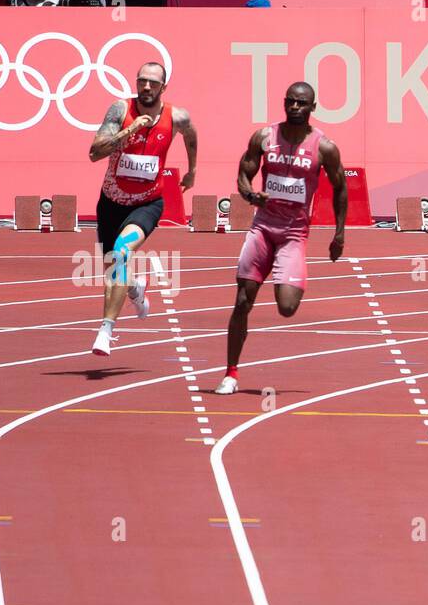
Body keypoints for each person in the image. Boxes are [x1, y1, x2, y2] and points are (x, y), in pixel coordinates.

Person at [214, 82, 346, 395]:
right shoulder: (263, 137)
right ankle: (230, 373)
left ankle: (283, 273)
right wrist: (249, 194)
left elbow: (341, 188)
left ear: (313, 107)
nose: (295, 108)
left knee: (287, 307)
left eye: (302, 103)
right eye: (291, 102)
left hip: (293, 234)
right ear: (284, 103)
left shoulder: (324, 147)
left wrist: (339, 234)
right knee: (243, 300)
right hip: (262, 228)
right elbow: (244, 173)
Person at [88, 62, 196, 355]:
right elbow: (94, 153)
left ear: (163, 87)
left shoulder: (177, 117)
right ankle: (135, 286)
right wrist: (129, 131)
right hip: (111, 203)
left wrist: (192, 171)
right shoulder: (120, 111)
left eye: (153, 82)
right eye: (142, 81)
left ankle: (106, 330)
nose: (146, 87)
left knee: (122, 252)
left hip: (147, 203)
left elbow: (191, 136)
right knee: (114, 267)